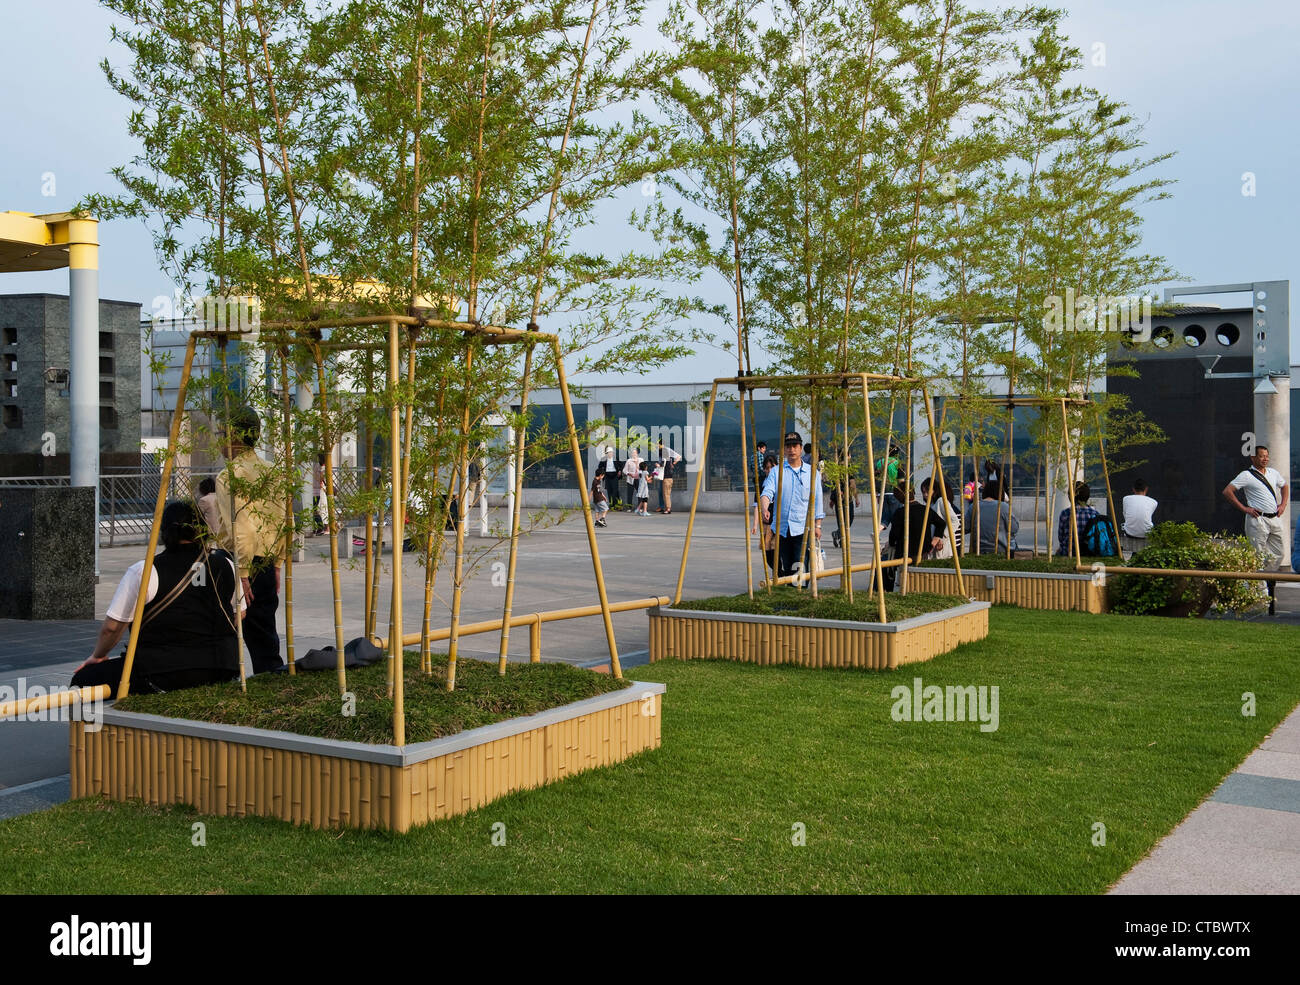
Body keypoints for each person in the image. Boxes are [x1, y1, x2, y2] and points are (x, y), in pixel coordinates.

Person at [72, 500, 241, 693]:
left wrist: (98, 655)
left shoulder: (145, 571)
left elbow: (112, 628)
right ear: (201, 529)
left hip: (162, 671)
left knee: (82, 679)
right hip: (222, 666)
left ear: (164, 532)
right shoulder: (226, 564)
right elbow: (239, 614)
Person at [213, 407, 288, 674]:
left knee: (225, 633)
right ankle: (273, 684)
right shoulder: (273, 471)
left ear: (234, 436)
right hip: (266, 563)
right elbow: (283, 520)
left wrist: (242, 574)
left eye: (220, 433)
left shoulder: (230, 476)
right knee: (265, 636)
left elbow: (241, 529)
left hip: (238, 565)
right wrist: (277, 563)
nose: (218, 440)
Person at [1224, 445, 1289, 615]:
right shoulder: (1246, 475)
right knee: (1257, 556)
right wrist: (1245, 508)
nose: (1265, 459)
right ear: (1253, 458)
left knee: (1278, 553)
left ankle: (1257, 581)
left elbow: (1285, 486)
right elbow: (1228, 491)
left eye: (1267, 456)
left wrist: (1283, 504)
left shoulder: (1273, 473)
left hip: (1274, 517)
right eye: (1261, 456)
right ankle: (1262, 596)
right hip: (1257, 520)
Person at [760, 430, 825, 579]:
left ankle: (800, 593)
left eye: (795, 446)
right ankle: (791, 593)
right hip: (782, 528)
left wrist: (818, 525)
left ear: (801, 448)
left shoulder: (811, 473)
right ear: (784, 449)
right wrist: (765, 508)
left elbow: (818, 500)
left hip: (803, 528)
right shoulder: (777, 471)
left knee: (801, 565)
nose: (792, 449)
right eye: (788, 446)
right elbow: (767, 492)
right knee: (787, 564)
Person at [888, 481, 947, 569]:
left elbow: (893, 536)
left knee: (904, 578)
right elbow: (941, 523)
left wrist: (891, 544)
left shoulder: (900, 513)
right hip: (923, 551)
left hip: (904, 553)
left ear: (899, 498)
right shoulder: (925, 510)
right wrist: (934, 541)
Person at [966, 480, 1018, 555]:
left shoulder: (973, 507)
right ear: (1000, 492)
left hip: (978, 549)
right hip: (1000, 550)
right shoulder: (1003, 507)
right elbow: (1014, 528)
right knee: (1012, 541)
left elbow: (966, 527)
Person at [1056, 482, 1100, 556]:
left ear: (1071, 497)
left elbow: (1061, 538)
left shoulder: (1065, 513)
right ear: (1087, 496)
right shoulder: (1095, 514)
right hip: (1089, 553)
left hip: (1068, 552)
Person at [1121, 478, 1158, 557]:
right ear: (1146, 489)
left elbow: (1125, 515)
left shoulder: (1126, 499)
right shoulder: (1154, 502)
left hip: (1129, 532)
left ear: (1133, 489)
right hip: (1146, 533)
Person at [656, 440, 681, 514]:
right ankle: (666, 508)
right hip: (669, 478)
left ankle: (668, 509)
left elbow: (661, 466)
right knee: (667, 494)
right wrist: (673, 463)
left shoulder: (665, 460)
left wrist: (658, 465)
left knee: (666, 494)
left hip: (666, 478)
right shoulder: (668, 461)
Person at [751, 441, 769, 534]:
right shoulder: (760, 455)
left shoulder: (752, 456)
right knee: (761, 499)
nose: (764, 450)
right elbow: (762, 467)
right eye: (763, 448)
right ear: (759, 448)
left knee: (757, 501)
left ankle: (755, 524)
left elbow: (751, 467)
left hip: (755, 478)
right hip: (761, 478)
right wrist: (766, 475)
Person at [600, 446, 622, 511]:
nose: (610, 454)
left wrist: (620, 470)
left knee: (615, 490)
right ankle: (611, 504)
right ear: (606, 453)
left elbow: (620, 465)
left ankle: (616, 504)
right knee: (609, 490)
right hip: (607, 475)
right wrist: (602, 473)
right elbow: (600, 466)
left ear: (612, 453)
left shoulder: (615, 458)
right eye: (608, 452)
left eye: (611, 452)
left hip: (614, 475)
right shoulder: (603, 459)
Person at [623, 449, 642, 513]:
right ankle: (629, 507)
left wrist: (637, 465)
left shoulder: (641, 460)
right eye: (632, 453)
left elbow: (643, 468)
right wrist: (629, 474)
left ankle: (639, 507)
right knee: (630, 493)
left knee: (639, 493)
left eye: (635, 453)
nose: (633, 454)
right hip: (630, 479)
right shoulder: (629, 461)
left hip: (638, 479)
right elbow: (624, 470)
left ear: (637, 453)